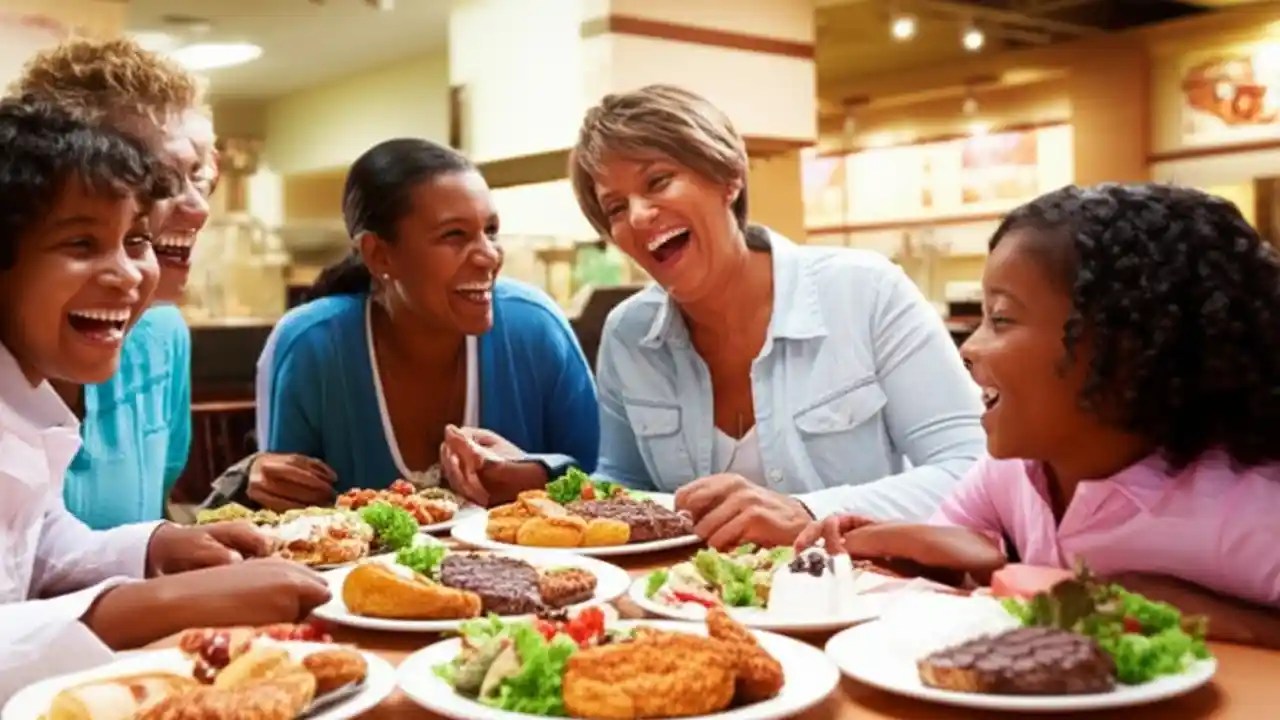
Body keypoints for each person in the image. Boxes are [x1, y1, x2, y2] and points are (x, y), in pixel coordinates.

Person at [798, 184, 1280, 648]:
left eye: (1002, 318)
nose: (970, 347)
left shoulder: (1247, 503)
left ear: (1125, 351)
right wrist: (892, 541)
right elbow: (968, 564)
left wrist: (1177, 606)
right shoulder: (1011, 472)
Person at [0, 97, 329, 702]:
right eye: (81, 242)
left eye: (136, 240)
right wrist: (148, 603)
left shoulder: (22, 393)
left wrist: (153, 546)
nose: (127, 273)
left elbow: (33, 545)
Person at [557, 85, 984, 549]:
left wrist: (809, 513)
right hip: (691, 610)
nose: (637, 216)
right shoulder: (628, 335)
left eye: (658, 181)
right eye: (615, 207)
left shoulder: (866, 292)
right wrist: (536, 475)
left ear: (729, 177)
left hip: (866, 601)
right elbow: (625, 489)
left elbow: (972, 471)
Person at [206, 138, 598, 511]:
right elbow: (296, 529)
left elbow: (608, 483)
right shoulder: (311, 347)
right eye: (454, 236)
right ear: (379, 255)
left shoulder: (536, 329)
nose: (488, 256)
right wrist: (262, 483)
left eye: (490, 231)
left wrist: (536, 477)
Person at [12, 38, 214, 528]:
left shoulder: (161, 337)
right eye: (160, 178)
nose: (199, 207)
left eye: (197, 175)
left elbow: (142, 531)